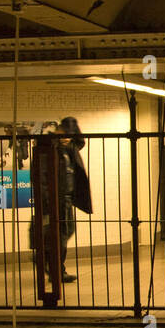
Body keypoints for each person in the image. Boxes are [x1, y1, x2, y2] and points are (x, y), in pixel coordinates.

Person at [54, 117, 94, 284]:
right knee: (60, 235)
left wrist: (70, 126)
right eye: (63, 135)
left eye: (69, 135)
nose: (66, 138)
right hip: (57, 199)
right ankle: (56, 268)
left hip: (68, 199)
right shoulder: (52, 151)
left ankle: (50, 260)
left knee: (66, 232)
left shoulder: (71, 149)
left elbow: (79, 140)